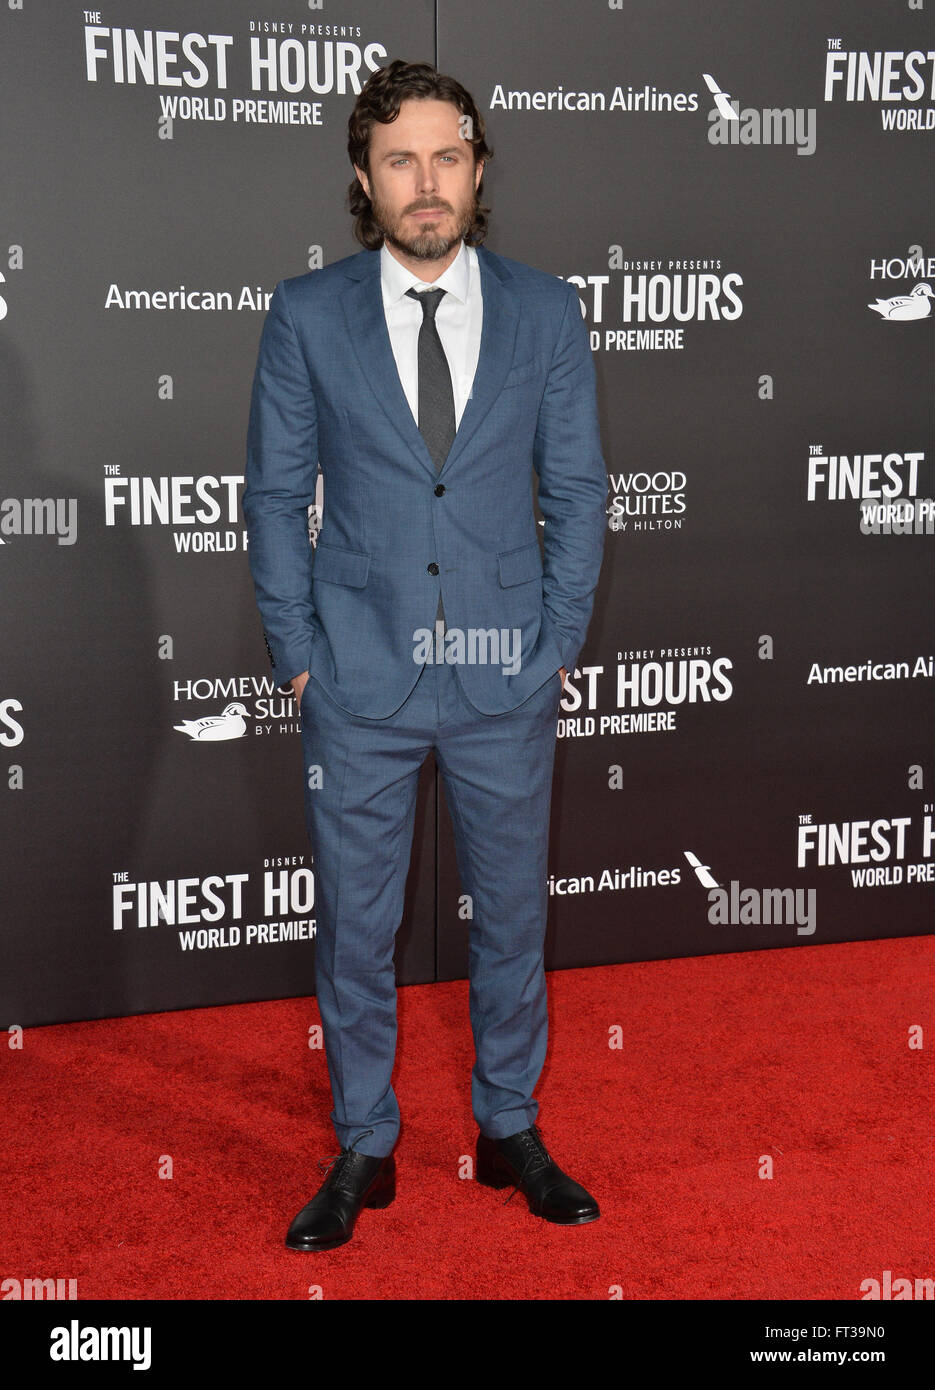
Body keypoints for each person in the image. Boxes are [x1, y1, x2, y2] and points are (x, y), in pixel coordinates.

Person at [242, 59, 607, 1252]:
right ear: (364, 177)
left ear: (478, 167)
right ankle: (363, 1142)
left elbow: (578, 494)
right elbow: (274, 494)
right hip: (357, 671)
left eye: (445, 155)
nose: (425, 181)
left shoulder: (547, 311)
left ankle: (509, 1124)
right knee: (355, 924)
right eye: (399, 159)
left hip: (506, 669)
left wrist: (554, 641)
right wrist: (299, 651)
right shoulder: (307, 314)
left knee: (510, 916)